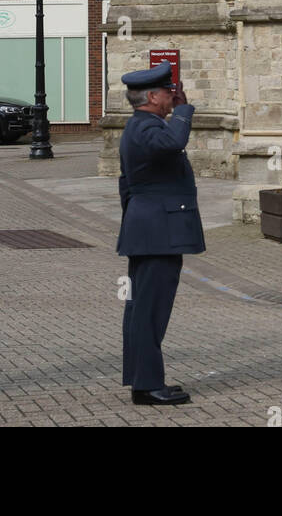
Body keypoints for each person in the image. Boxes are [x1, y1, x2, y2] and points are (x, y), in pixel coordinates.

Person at [117, 61, 205, 406]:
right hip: (157, 231)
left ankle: (142, 378)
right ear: (152, 97)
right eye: (168, 92)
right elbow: (173, 142)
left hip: (150, 228)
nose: (173, 95)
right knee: (150, 310)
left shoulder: (142, 125)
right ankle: (147, 385)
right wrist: (184, 111)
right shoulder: (145, 128)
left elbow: (126, 185)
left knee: (143, 309)